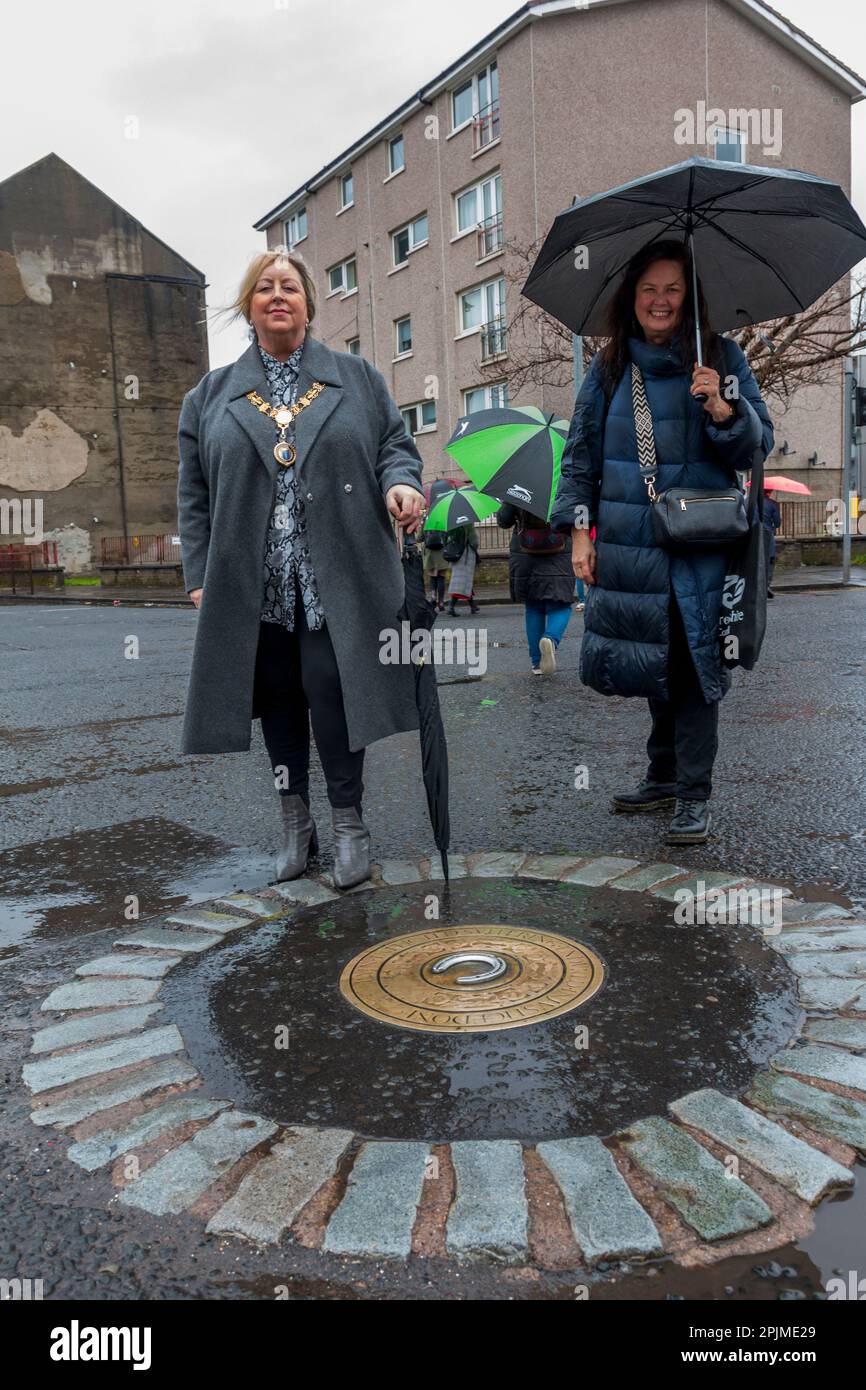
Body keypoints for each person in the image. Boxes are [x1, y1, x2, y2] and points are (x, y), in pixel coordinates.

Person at [177, 249, 425, 888]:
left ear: (310, 303)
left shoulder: (358, 378)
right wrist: (200, 573)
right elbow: (194, 495)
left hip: (334, 574)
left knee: (333, 691)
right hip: (252, 581)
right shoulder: (210, 395)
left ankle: (350, 827)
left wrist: (401, 484)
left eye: (290, 286)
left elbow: (395, 447)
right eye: (264, 288)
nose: (277, 295)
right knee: (277, 700)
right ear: (248, 306)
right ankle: (296, 826)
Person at [551, 238, 773, 845]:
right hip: (633, 540)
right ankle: (663, 774)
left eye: (673, 288)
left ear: (690, 297)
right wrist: (578, 533)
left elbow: (758, 446)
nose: (660, 299)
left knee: (696, 663)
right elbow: (579, 460)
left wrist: (724, 410)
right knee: (655, 657)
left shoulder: (721, 356)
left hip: (703, 543)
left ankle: (693, 795)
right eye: (649, 288)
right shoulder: (610, 366)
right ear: (632, 296)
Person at [497, 503, 573, 674]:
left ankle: (537, 662)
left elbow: (503, 521)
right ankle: (550, 639)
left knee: (533, 607)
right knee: (560, 605)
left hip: (525, 552)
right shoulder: (561, 482)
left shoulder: (518, 484)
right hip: (559, 552)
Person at [445, 523, 480, 614]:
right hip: (466, 557)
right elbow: (475, 542)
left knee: (464, 581)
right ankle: (451, 606)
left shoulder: (452, 525)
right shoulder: (468, 524)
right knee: (460, 583)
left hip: (455, 555)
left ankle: (473, 606)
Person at [760, 488, 781, 597]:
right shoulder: (773, 504)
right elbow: (777, 523)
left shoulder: (748, 501)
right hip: (767, 534)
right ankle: (766, 585)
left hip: (752, 534)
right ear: (769, 492)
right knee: (769, 560)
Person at [423, 526, 449, 610]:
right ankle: (441, 602)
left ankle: (433, 597)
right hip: (441, 555)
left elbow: (419, 538)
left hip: (430, 555)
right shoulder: (444, 522)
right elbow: (447, 538)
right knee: (441, 577)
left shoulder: (427, 522)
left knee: (432, 578)